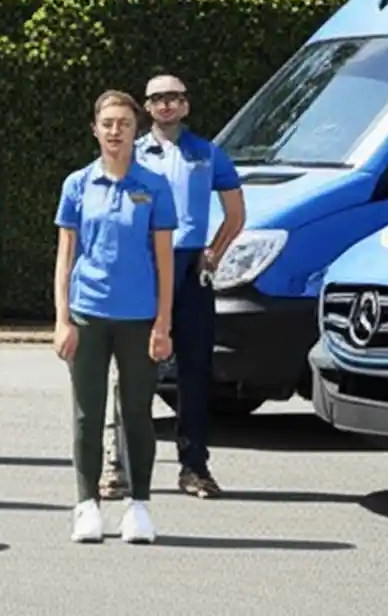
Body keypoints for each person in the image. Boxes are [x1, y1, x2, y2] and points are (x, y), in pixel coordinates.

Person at [99, 75, 245, 501]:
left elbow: (235, 213)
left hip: (189, 267)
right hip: (144, 267)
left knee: (195, 372)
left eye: (173, 98)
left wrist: (214, 253)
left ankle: (194, 467)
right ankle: (119, 465)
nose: (166, 105)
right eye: (157, 99)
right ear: (147, 107)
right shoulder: (134, 154)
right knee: (131, 368)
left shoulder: (208, 153)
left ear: (186, 105)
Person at [53, 89, 176, 544]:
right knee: (88, 413)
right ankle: (86, 505)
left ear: (135, 129)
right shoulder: (77, 185)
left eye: (124, 123)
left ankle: (138, 506)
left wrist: (163, 324)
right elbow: (66, 257)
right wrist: (62, 319)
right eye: (107, 123)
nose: (115, 131)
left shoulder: (153, 186)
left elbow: (165, 262)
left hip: (140, 317)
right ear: (95, 129)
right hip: (88, 314)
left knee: (137, 413)